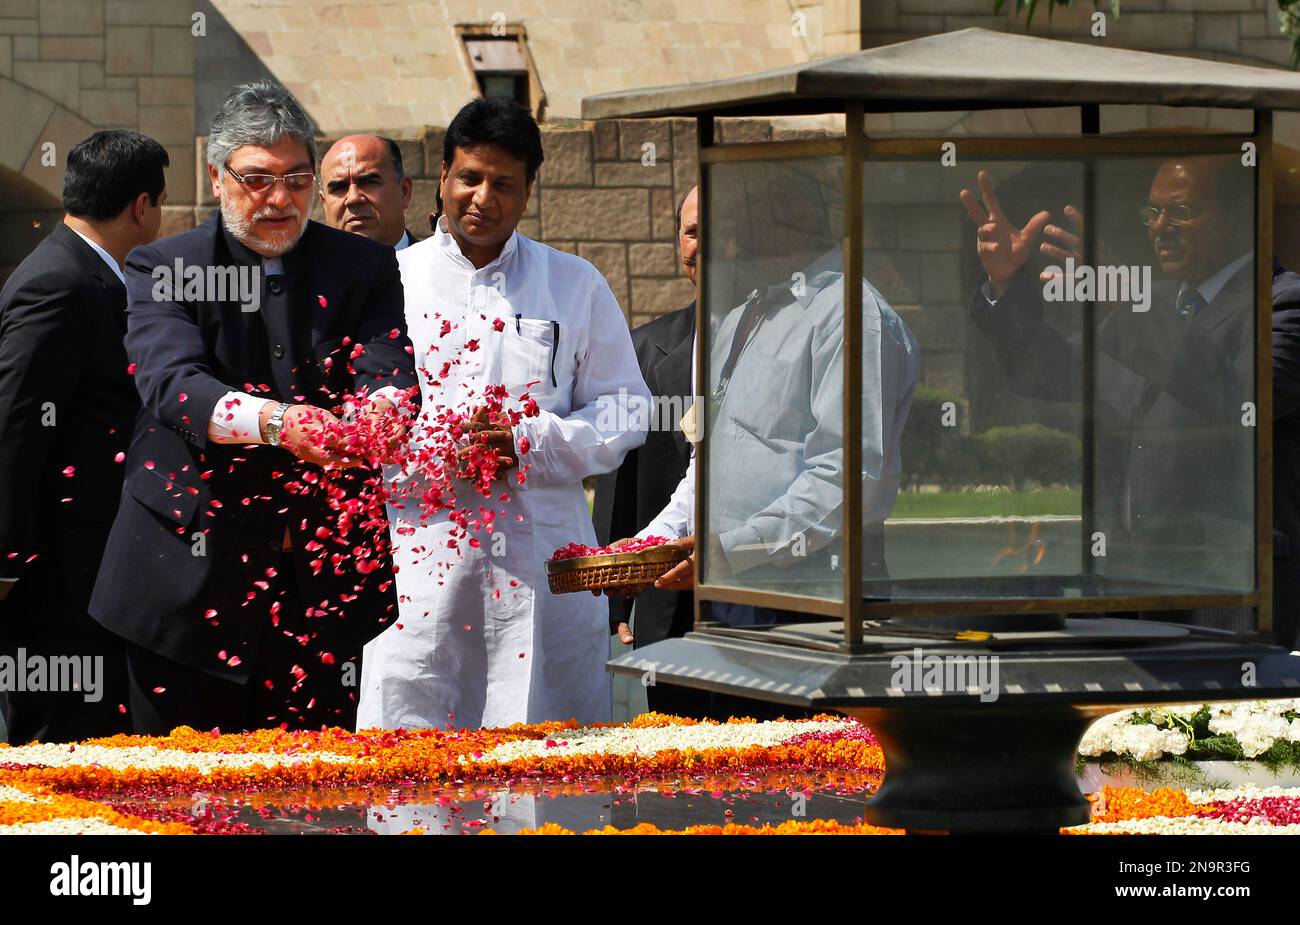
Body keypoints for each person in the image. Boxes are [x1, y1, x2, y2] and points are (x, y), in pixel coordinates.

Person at [88, 80, 418, 735]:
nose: (278, 199)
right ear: (217, 178)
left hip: (316, 583)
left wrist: (380, 413)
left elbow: (387, 369)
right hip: (184, 582)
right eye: (257, 179)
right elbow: (172, 383)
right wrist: (281, 424)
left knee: (315, 794)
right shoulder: (164, 265)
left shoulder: (363, 266)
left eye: (297, 179)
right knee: (180, 800)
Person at [357, 97, 651, 731]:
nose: (482, 199)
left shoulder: (572, 282)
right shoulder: (389, 281)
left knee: (547, 757)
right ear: (441, 178)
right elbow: (355, 406)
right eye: (469, 178)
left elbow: (627, 408)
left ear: (529, 190)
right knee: (414, 751)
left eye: (503, 184)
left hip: (543, 557)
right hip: (419, 559)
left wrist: (532, 439)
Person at [621, 163, 919, 718]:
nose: (722, 243)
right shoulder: (743, 317)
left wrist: (734, 551)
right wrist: (651, 542)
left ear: (795, 221)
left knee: (806, 784)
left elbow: (851, 481)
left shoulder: (851, 316)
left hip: (808, 601)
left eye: (736, 225)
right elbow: (707, 463)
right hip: (728, 596)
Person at [962, 157, 1300, 647]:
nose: (1161, 228)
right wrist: (1005, 286)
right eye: (1153, 213)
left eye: (1182, 212)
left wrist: (1131, 300)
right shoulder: (1153, 306)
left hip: (1232, 593)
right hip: (1133, 587)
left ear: (1241, 213)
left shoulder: (1283, 303)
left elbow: (1238, 399)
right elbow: (1051, 378)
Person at [0, 130, 169, 743]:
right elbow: (15, 426)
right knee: (54, 747)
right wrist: (6, 559)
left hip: (96, 571)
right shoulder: (58, 282)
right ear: (143, 206)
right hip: (54, 577)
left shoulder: (93, 274)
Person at [592, 187, 704, 717]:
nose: (701, 246)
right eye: (692, 231)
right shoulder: (643, 349)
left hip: (763, 601)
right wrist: (616, 590)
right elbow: (621, 474)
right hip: (665, 598)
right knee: (678, 766)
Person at [318, 135, 418, 249]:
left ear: (404, 192)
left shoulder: (437, 266)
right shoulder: (305, 266)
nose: (353, 198)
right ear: (324, 203)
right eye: (339, 187)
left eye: (368, 183)